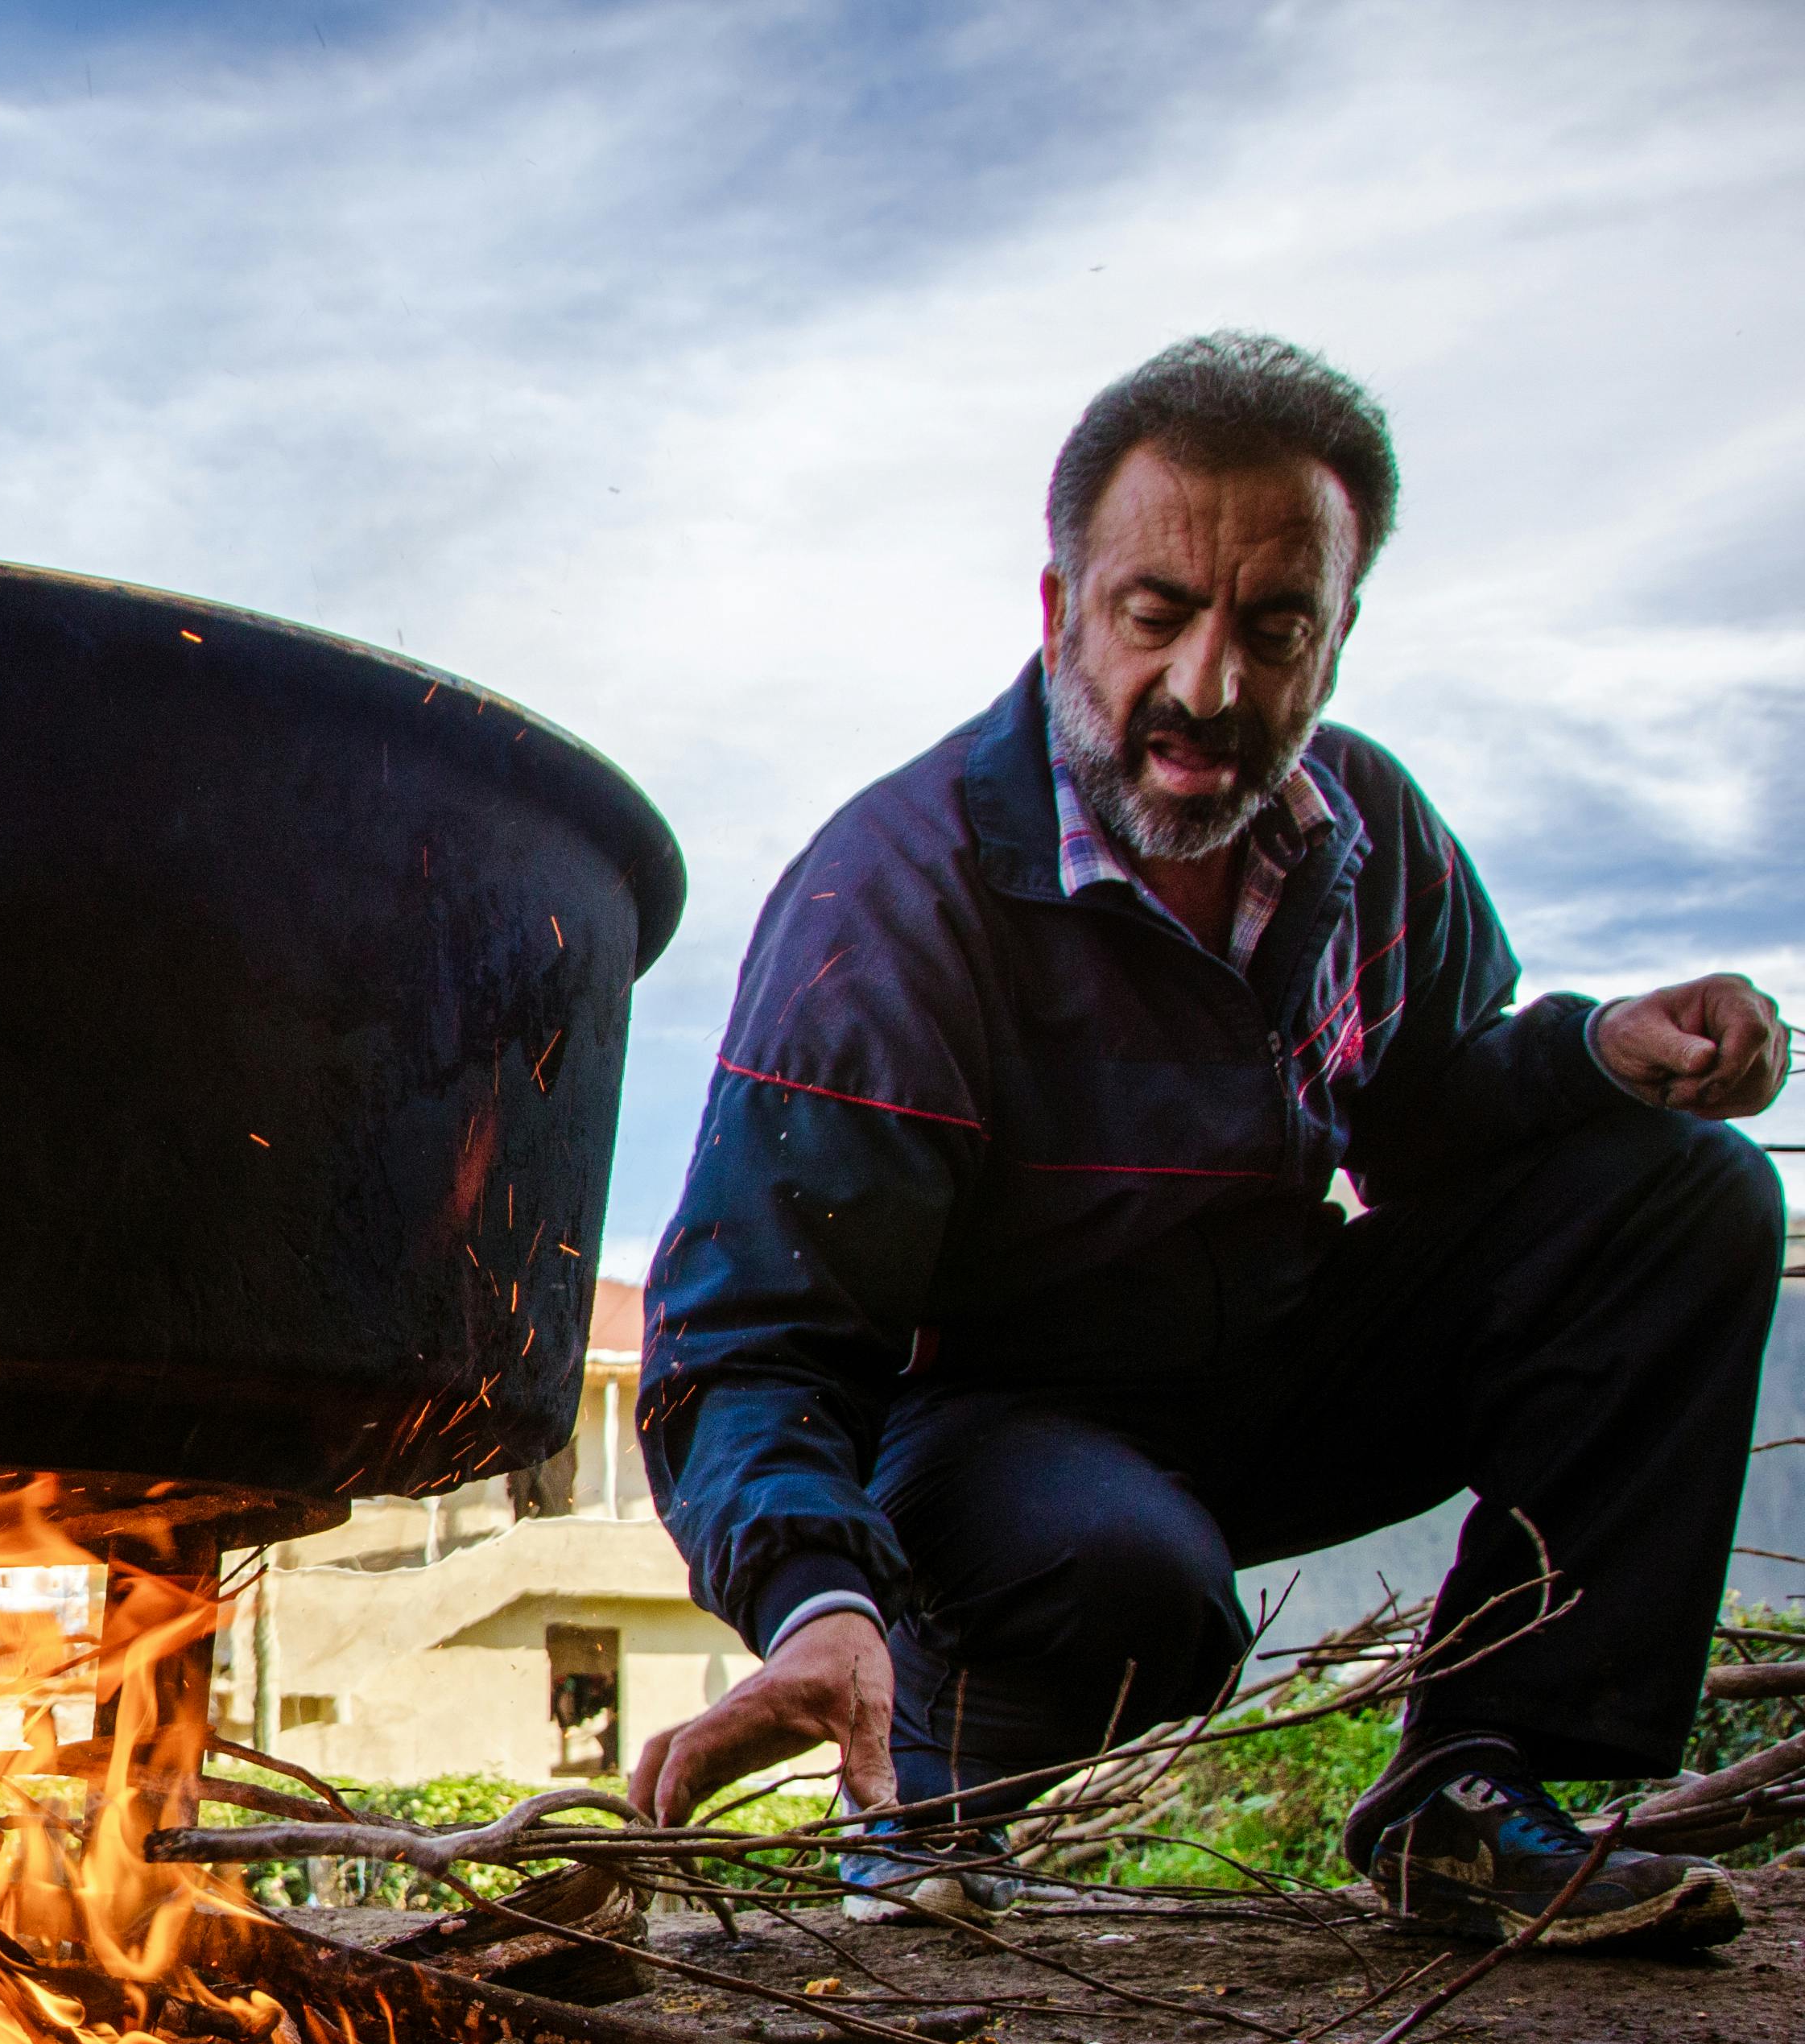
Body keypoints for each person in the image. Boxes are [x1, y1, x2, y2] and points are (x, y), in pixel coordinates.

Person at [632, 332, 1786, 1948]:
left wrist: (1600, 1054)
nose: (1208, 690)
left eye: (1273, 628)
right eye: (1155, 616)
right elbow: (748, 1343)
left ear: (1339, 633)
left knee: (1682, 1197)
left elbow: (1431, 1131)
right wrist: (814, 1602)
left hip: (1268, 1359)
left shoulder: (1371, 838)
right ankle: (925, 1801)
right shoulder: (892, 909)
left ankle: (1477, 1789)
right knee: (1131, 1581)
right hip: (993, 1443)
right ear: (1057, 612)